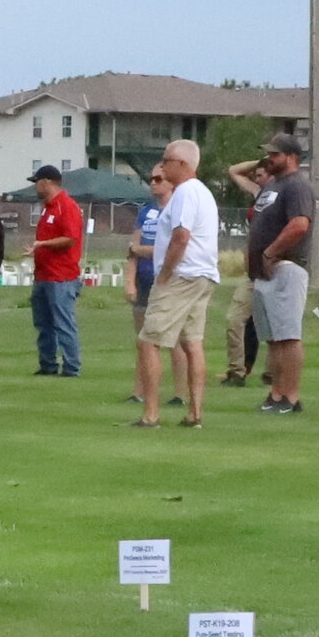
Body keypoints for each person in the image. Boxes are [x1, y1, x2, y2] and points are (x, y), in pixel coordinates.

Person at [134, 144, 218, 429]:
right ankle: (194, 413)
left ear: (182, 163)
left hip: (182, 275)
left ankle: (151, 414)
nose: (163, 167)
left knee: (149, 340)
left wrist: (165, 274)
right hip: (204, 274)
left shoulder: (184, 192)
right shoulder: (204, 192)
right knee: (192, 342)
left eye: (167, 161)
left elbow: (181, 236)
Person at [244, 143, 315, 415]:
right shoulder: (272, 186)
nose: (270, 158)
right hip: (265, 271)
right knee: (273, 337)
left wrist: (271, 251)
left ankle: (291, 396)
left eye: (276, 154)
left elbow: (299, 224)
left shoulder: (296, 186)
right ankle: (276, 394)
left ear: (292, 156)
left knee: (288, 335)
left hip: (286, 266)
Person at [26, 164, 88, 376]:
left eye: (37, 182)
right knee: (43, 323)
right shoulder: (47, 208)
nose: (36, 187)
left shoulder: (66, 206)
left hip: (61, 276)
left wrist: (42, 244)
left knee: (63, 323)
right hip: (43, 274)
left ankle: (72, 367)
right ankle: (48, 364)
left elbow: (70, 239)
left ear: (47, 182)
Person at [220, 156, 268, 389]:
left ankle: (273, 372)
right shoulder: (259, 194)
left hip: (273, 270)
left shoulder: (285, 193)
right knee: (234, 319)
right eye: (256, 175)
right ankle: (236, 371)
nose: (256, 178)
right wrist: (262, 160)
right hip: (252, 273)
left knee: (273, 325)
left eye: (261, 174)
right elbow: (234, 170)